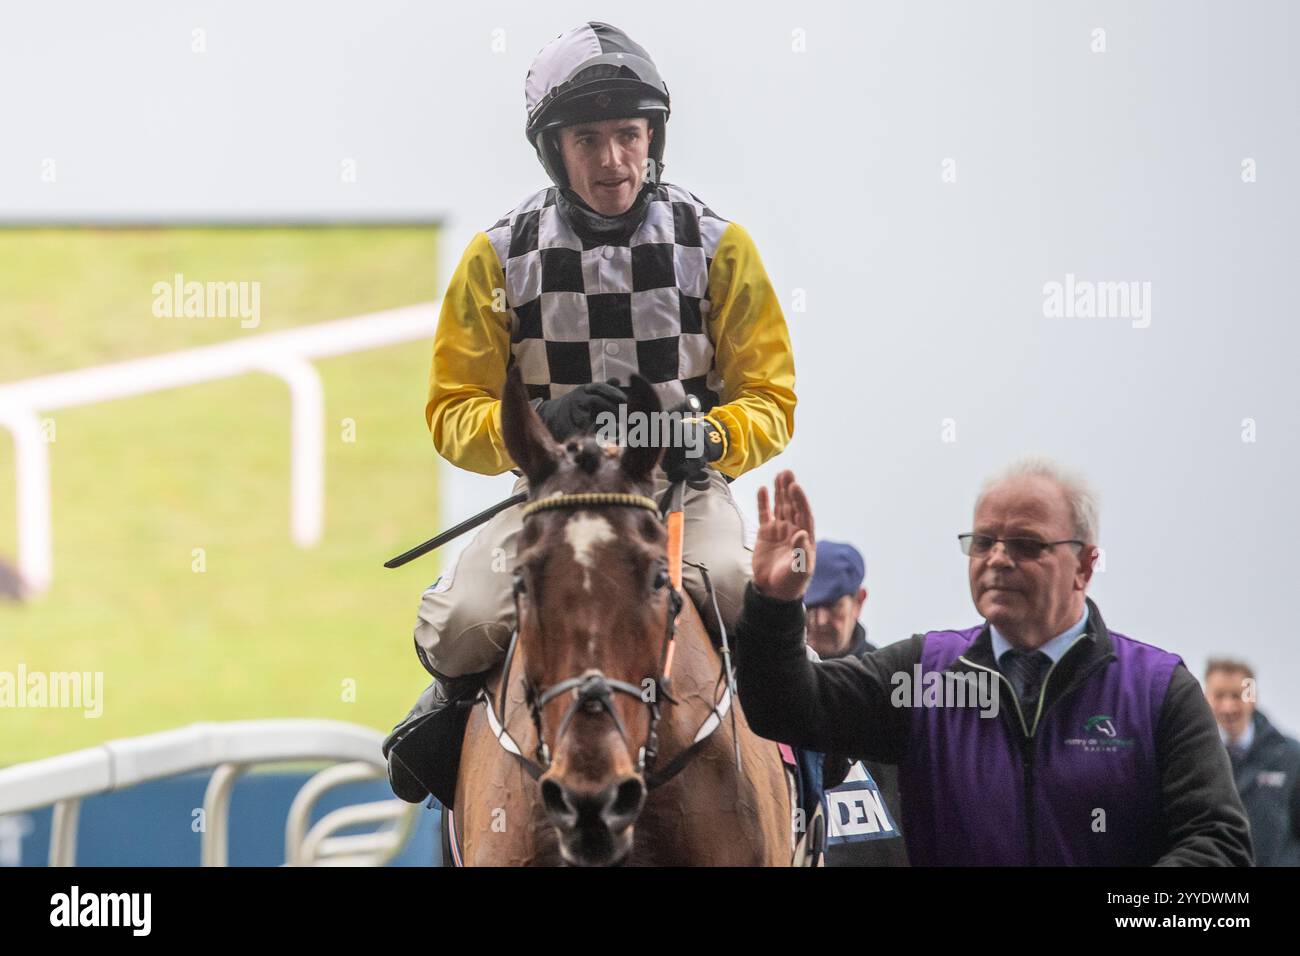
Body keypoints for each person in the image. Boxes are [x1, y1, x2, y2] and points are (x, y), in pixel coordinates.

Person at [383, 22, 797, 807]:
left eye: (628, 136)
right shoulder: (496, 256)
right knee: (461, 622)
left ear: (653, 138)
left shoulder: (720, 247)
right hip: (553, 497)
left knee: (742, 592)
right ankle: (447, 733)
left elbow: (772, 401)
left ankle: (801, 765)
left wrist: (708, 436)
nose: (612, 160)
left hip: (677, 497)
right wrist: (544, 418)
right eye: (588, 140)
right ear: (554, 150)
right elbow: (449, 415)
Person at [734, 460, 1253, 865]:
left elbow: (1219, 846)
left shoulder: (1157, 690)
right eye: (983, 542)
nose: (998, 558)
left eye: (1026, 544)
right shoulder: (925, 676)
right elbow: (787, 708)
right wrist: (775, 604)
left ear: (1085, 565)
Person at [803, 541, 908, 866]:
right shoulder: (779, 701)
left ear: (859, 602)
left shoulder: (893, 688)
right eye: (808, 606)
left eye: (832, 605)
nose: (819, 620)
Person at [1204, 658, 1300, 866]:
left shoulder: (1291, 756)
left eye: (1237, 696)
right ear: (1206, 698)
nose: (1228, 706)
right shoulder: (1194, 757)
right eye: (1219, 696)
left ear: (1253, 697)